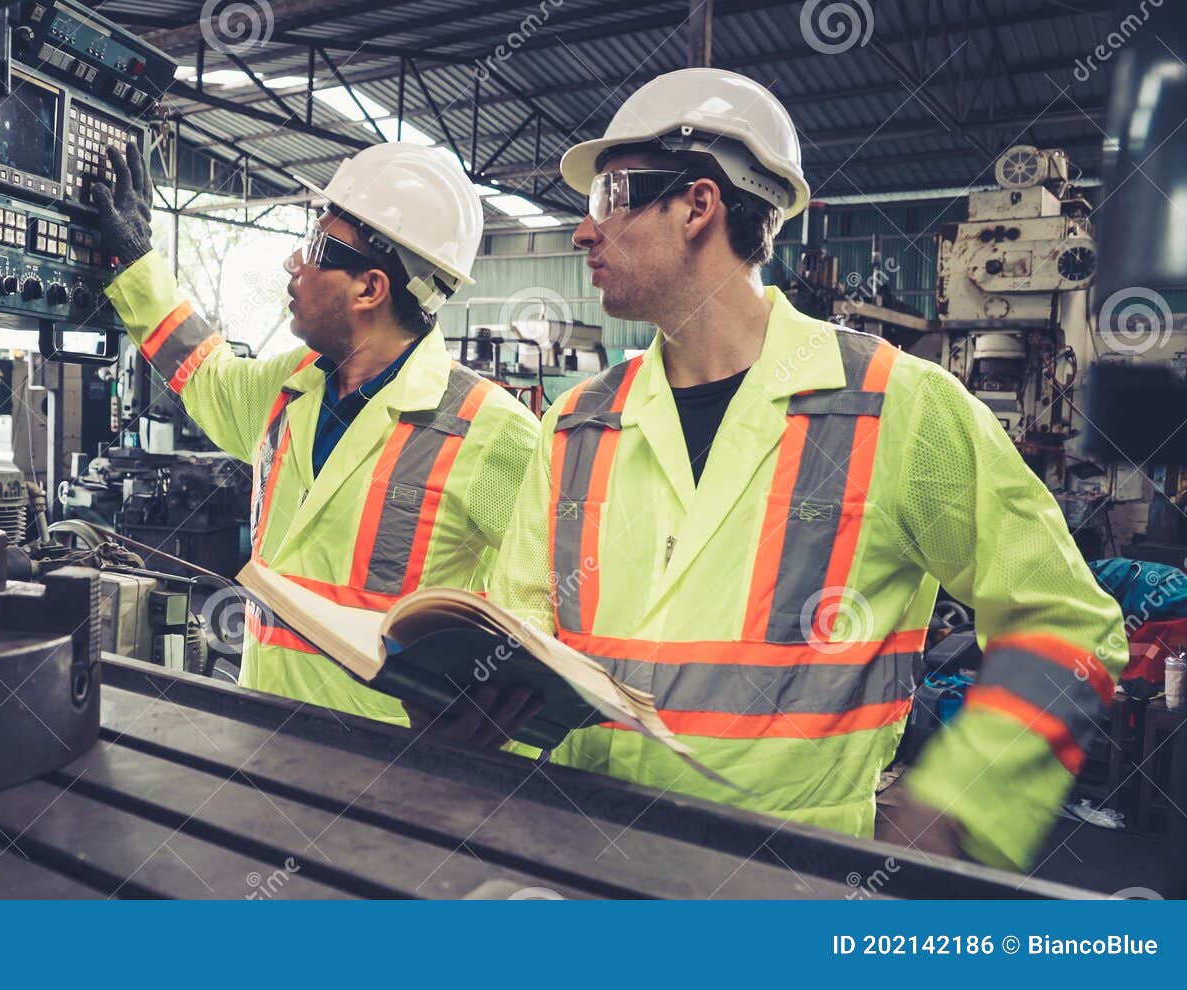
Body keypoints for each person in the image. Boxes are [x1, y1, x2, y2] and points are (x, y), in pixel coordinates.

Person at [476, 67, 1125, 871]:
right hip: (580, 853)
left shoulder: (897, 406)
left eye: (609, 198)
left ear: (697, 205)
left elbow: (1063, 619)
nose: (583, 231)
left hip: (793, 881)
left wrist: (961, 807)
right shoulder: (575, 421)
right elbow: (519, 631)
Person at [93, 139, 540, 728]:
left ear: (370, 288)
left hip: (389, 771)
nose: (293, 263)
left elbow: (544, 621)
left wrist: (491, 733)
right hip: (260, 731)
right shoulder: (291, 387)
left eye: (316, 247)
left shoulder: (493, 431)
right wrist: (138, 262)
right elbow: (202, 372)